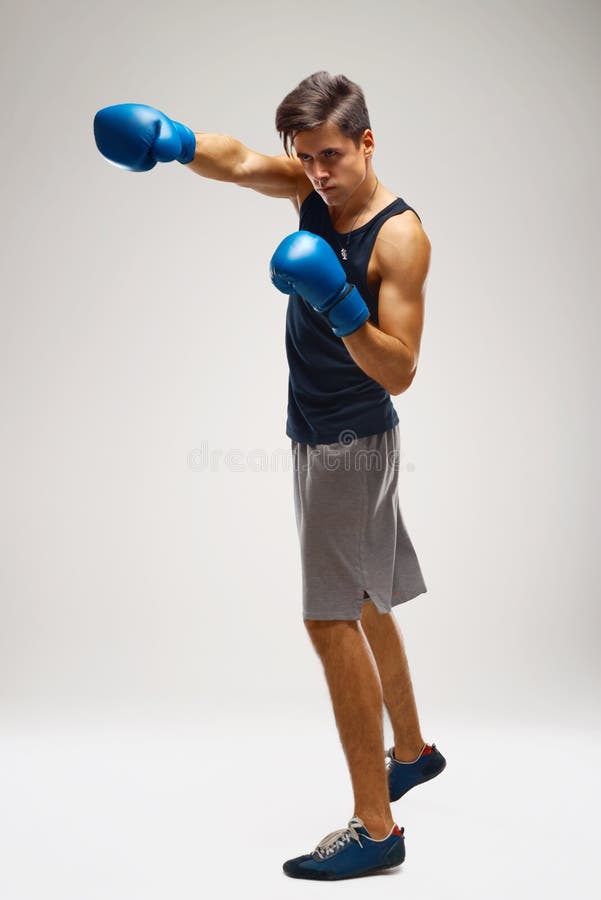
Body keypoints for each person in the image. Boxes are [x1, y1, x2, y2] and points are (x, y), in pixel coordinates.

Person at [93, 70, 447, 881]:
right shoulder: (308, 187)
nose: (316, 173)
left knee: (328, 621)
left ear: (366, 141)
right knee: (362, 596)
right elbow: (240, 162)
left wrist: (338, 304)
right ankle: (413, 752)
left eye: (331, 156)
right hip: (317, 428)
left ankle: (375, 827)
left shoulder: (399, 237)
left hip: (352, 441)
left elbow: (400, 370)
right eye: (306, 158)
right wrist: (176, 143)